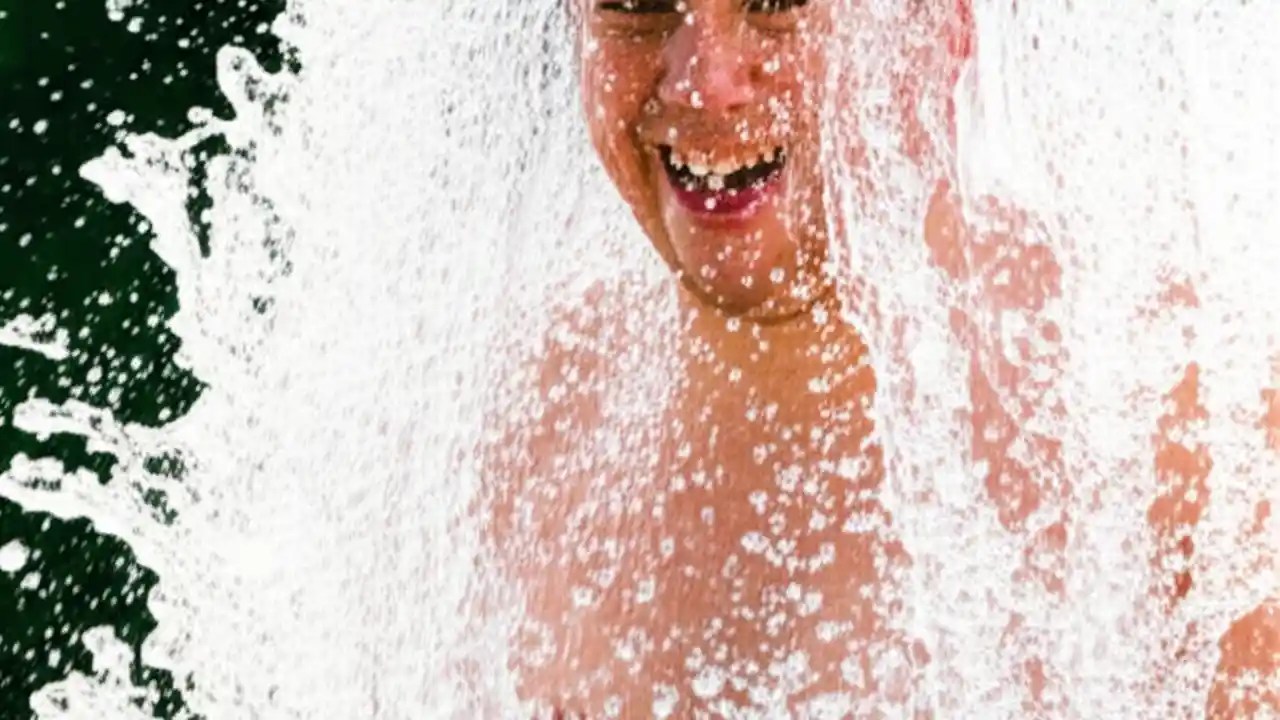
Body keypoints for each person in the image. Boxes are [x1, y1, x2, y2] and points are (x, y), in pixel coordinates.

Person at [484, 1, 1278, 716]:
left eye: (777, 4)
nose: (706, 82)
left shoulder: (1182, 431)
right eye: (639, 4)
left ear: (940, 25)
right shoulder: (520, 431)